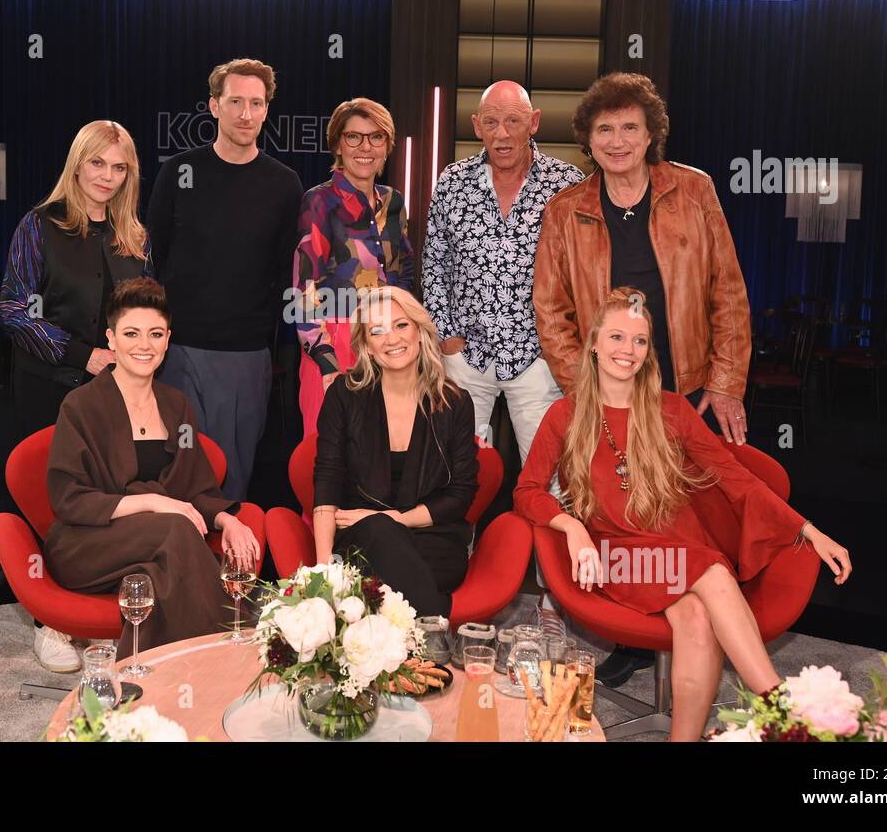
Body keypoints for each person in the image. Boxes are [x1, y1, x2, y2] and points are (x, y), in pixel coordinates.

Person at [514, 288, 852, 741]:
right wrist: (571, 525)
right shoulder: (566, 413)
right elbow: (527, 491)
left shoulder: (672, 410)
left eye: (639, 341)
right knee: (711, 571)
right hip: (620, 557)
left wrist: (808, 530)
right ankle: (781, 713)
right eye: (616, 337)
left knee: (695, 617)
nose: (627, 351)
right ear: (593, 343)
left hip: (678, 550)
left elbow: (735, 477)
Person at [533, 72, 754, 684]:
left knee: (692, 515)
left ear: (652, 132)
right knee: (625, 514)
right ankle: (637, 636)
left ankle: (706, 622)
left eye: (630, 126)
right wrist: (589, 391)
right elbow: (550, 310)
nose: (618, 139)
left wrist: (729, 380)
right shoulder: (566, 209)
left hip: (685, 383)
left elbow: (727, 290)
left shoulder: (695, 191)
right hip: (610, 391)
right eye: (605, 129)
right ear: (589, 139)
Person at [37, 277, 261, 672]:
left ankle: (155, 680)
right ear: (111, 339)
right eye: (131, 333)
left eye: (155, 334)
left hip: (156, 548)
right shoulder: (80, 405)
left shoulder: (177, 406)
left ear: (168, 339)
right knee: (175, 530)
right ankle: (231, 652)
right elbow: (68, 498)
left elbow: (198, 487)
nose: (144, 345)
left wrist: (228, 519)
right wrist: (156, 502)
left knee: (160, 574)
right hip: (86, 543)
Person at [147, 58, 304, 500]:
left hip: (247, 354)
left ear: (267, 109)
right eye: (235, 101)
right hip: (177, 350)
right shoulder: (178, 172)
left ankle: (230, 568)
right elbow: (155, 257)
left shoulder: (284, 184)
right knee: (176, 471)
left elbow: (285, 271)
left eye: (256, 103)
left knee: (234, 477)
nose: (245, 113)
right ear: (214, 106)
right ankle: (178, 562)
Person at [423, 80, 583, 462]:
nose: (502, 133)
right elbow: (434, 264)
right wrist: (447, 339)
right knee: (455, 474)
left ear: (535, 123)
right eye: (491, 122)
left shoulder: (567, 186)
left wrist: (560, 350)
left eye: (514, 120)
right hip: (466, 357)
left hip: (538, 358)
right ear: (477, 126)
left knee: (550, 476)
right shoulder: (452, 182)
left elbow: (583, 273)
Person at [312, 286, 479, 618]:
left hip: (432, 539)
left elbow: (460, 494)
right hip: (363, 538)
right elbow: (327, 481)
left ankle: (391, 650)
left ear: (419, 332)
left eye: (401, 325)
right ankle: (432, 645)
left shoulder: (455, 402)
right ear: (367, 348)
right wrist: (323, 569)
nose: (391, 338)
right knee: (379, 537)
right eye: (377, 331)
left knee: (384, 557)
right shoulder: (343, 397)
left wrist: (392, 519)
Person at [0, 120, 147, 440]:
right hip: (47, 390)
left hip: (116, 392)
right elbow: (13, 310)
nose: (108, 176)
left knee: (110, 485)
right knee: (48, 487)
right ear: (77, 163)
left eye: (119, 167)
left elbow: (147, 313)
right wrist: (85, 356)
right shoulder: (38, 225)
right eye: (97, 162)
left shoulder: (135, 237)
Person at [294, 97, 414, 438]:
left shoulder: (394, 202)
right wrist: (327, 360)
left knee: (383, 453)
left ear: (387, 145)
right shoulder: (319, 201)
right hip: (332, 342)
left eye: (376, 137)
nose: (366, 147)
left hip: (388, 345)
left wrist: (403, 335)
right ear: (337, 144)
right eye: (354, 137)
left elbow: (403, 273)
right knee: (328, 457)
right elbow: (302, 290)